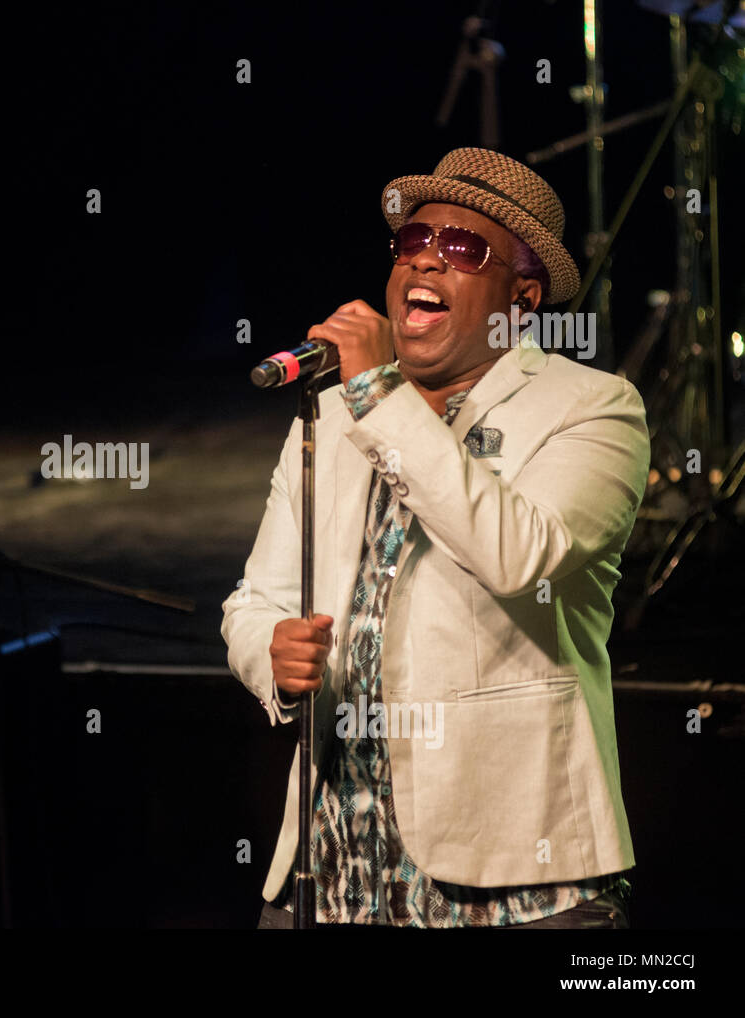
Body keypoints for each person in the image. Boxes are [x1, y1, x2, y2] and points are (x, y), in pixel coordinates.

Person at [222, 148, 649, 928]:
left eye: (462, 248)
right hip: (333, 865)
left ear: (521, 297)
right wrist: (272, 657)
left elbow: (520, 555)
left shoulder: (592, 408)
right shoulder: (331, 411)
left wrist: (380, 392)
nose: (425, 255)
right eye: (413, 240)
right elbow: (257, 598)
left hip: (515, 880)